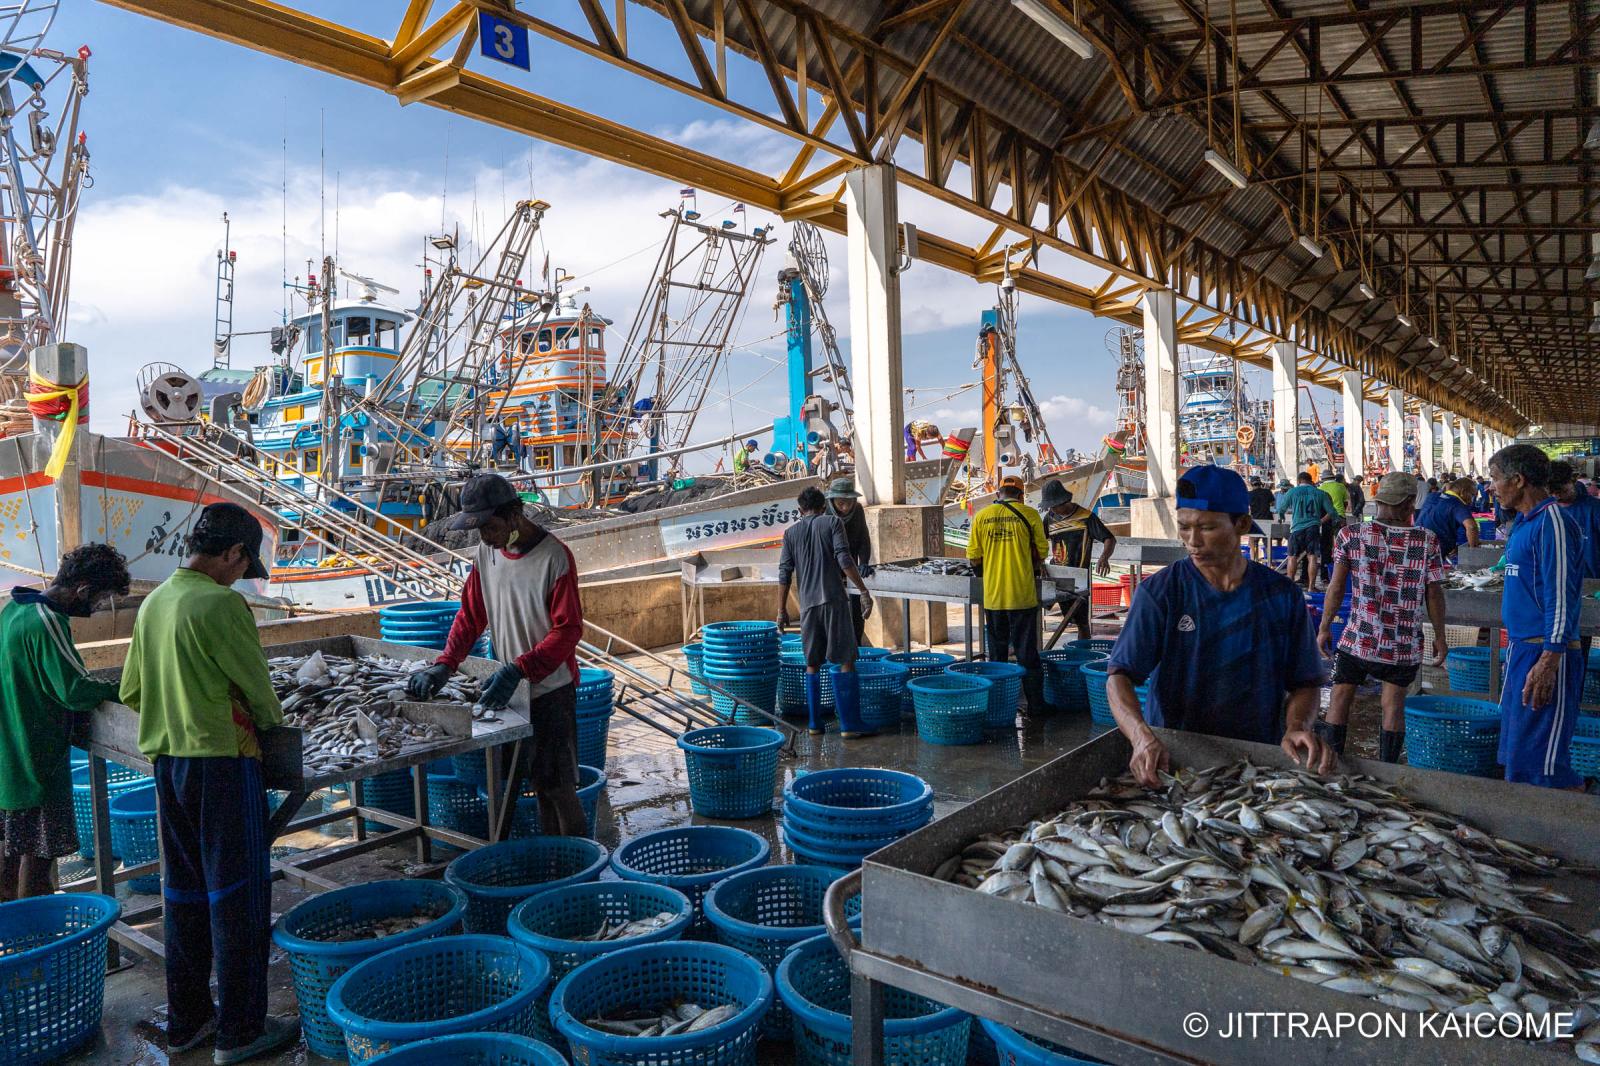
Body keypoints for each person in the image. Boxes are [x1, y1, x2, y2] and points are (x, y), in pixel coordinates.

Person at [120, 503, 297, 1063]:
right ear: (233, 553)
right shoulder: (222, 604)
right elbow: (261, 695)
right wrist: (273, 727)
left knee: (186, 894)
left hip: (168, 767)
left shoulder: (154, 603)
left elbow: (130, 692)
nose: (240, 576)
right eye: (243, 566)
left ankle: (188, 1022)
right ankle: (241, 1033)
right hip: (222, 765)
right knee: (238, 896)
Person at [1106, 467, 1331, 786]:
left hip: (1257, 757)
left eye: (1207, 527)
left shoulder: (1282, 595)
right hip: (1177, 757)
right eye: (1184, 527)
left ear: (1240, 523)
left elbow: (1305, 681)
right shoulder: (1161, 592)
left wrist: (1297, 726)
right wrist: (1141, 736)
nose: (1192, 541)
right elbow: (1120, 676)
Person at [408, 474, 586, 838]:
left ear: (515, 515)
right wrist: (445, 664)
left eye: (489, 527)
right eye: (479, 530)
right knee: (537, 786)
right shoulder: (486, 553)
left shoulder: (554, 558)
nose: (485, 537)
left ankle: (582, 870)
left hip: (550, 691)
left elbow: (568, 631)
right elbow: (471, 615)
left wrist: (520, 668)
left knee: (559, 787)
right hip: (512, 693)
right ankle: (554, 857)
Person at [0, 544, 128, 902]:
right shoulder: (47, 621)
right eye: (100, 599)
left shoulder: (12, 611)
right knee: (38, 863)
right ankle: (36, 943)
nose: (97, 607)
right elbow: (74, 689)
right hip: (35, 764)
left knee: (7, 859)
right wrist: (131, 688)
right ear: (83, 590)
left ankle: (11, 944)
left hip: (7, 759)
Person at [1315, 473, 1448, 763]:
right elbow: (1434, 593)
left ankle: (1329, 766)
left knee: (1339, 698)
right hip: (1402, 644)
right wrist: (1440, 635)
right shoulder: (1426, 541)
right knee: (1393, 705)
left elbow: (1336, 587)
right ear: (1410, 502)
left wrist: (1325, 627)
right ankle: (1388, 770)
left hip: (1357, 639)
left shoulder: (1351, 535)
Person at [1488, 444, 1585, 790]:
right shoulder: (1523, 526)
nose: (1491, 487)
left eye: (1496, 479)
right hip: (1521, 651)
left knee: (1541, 765)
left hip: (1544, 654)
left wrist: (1549, 660)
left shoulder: (1553, 523)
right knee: (1517, 756)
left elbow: (1562, 595)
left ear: (1518, 480)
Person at [775, 485, 875, 738]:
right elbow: (844, 559)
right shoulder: (832, 523)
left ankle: (814, 724)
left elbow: (784, 573)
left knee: (812, 663)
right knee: (846, 659)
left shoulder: (790, 533)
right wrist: (863, 590)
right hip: (833, 600)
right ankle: (850, 725)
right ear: (823, 507)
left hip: (807, 606)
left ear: (800, 510)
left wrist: (781, 610)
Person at [968, 474, 1049, 713]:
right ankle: (1036, 705)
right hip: (1022, 595)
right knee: (1027, 652)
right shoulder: (1030, 514)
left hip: (993, 597)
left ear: (998, 494)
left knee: (997, 654)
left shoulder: (981, 517)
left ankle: (998, 706)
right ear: (1021, 495)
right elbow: (1042, 552)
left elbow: (973, 557)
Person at [1039, 479, 1116, 643]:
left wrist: (1104, 557)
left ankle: (1083, 652)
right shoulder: (1049, 518)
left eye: (1053, 505)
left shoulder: (1085, 517)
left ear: (1063, 501)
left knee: (1081, 622)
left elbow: (1109, 538)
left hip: (1079, 576)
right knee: (1042, 608)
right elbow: (1039, 542)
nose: (1051, 508)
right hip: (1057, 575)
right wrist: (1040, 563)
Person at [824, 477, 873, 644]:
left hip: (851, 566)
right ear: (832, 501)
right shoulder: (825, 513)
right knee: (833, 613)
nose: (845, 507)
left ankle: (857, 644)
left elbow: (863, 540)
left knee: (856, 610)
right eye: (840, 503)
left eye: (849, 502)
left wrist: (864, 562)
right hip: (829, 568)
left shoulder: (858, 510)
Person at [1277, 471, 1336, 591]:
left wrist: (1282, 516)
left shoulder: (1292, 492)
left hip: (1297, 529)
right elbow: (1332, 512)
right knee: (1312, 557)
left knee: (1292, 557)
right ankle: (1311, 587)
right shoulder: (1320, 493)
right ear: (1311, 481)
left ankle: (1290, 587)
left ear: (1299, 481)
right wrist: (1320, 521)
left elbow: (1281, 508)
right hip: (1313, 528)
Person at [1416, 476, 1481, 562]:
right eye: (1472, 495)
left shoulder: (1432, 496)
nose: (1471, 500)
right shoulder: (1457, 504)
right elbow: (1471, 527)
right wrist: (1472, 552)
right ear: (1463, 491)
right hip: (1434, 547)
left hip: (1415, 541)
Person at [1317, 470, 1349, 572]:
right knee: (1342, 544)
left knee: (1326, 544)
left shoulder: (1320, 488)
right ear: (1333, 477)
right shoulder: (1341, 486)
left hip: (1326, 518)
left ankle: (1325, 570)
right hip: (1340, 517)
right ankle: (1341, 567)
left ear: (1323, 479)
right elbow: (1345, 503)